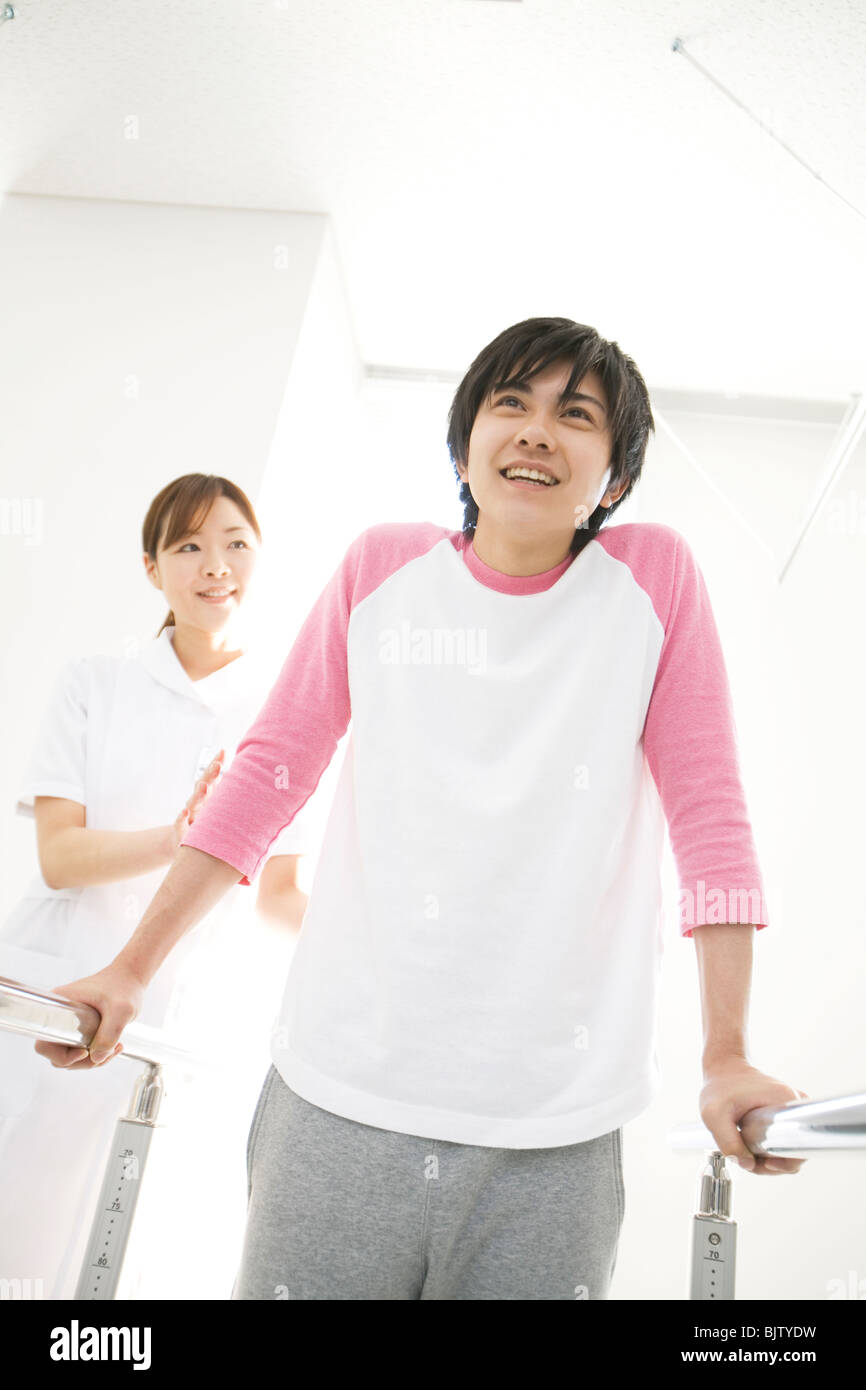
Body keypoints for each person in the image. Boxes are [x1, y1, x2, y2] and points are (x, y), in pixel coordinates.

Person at [34, 318, 808, 1301]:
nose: (536, 430)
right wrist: (132, 969)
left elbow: (709, 819)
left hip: (553, 1133)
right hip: (335, 1099)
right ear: (461, 448)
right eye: (510, 403)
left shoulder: (650, 581)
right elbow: (267, 777)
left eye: (575, 415)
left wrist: (724, 1054)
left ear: (612, 479)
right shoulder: (379, 569)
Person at [0, 473, 320, 1300]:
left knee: (121, 1248)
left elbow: (277, 895)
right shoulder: (94, 685)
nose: (217, 565)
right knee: (20, 1229)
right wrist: (179, 839)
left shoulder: (280, 714)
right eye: (189, 546)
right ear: (153, 569)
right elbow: (59, 857)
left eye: (236, 543)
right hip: (54, 989)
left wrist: (377, 940)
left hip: (179, 1018)